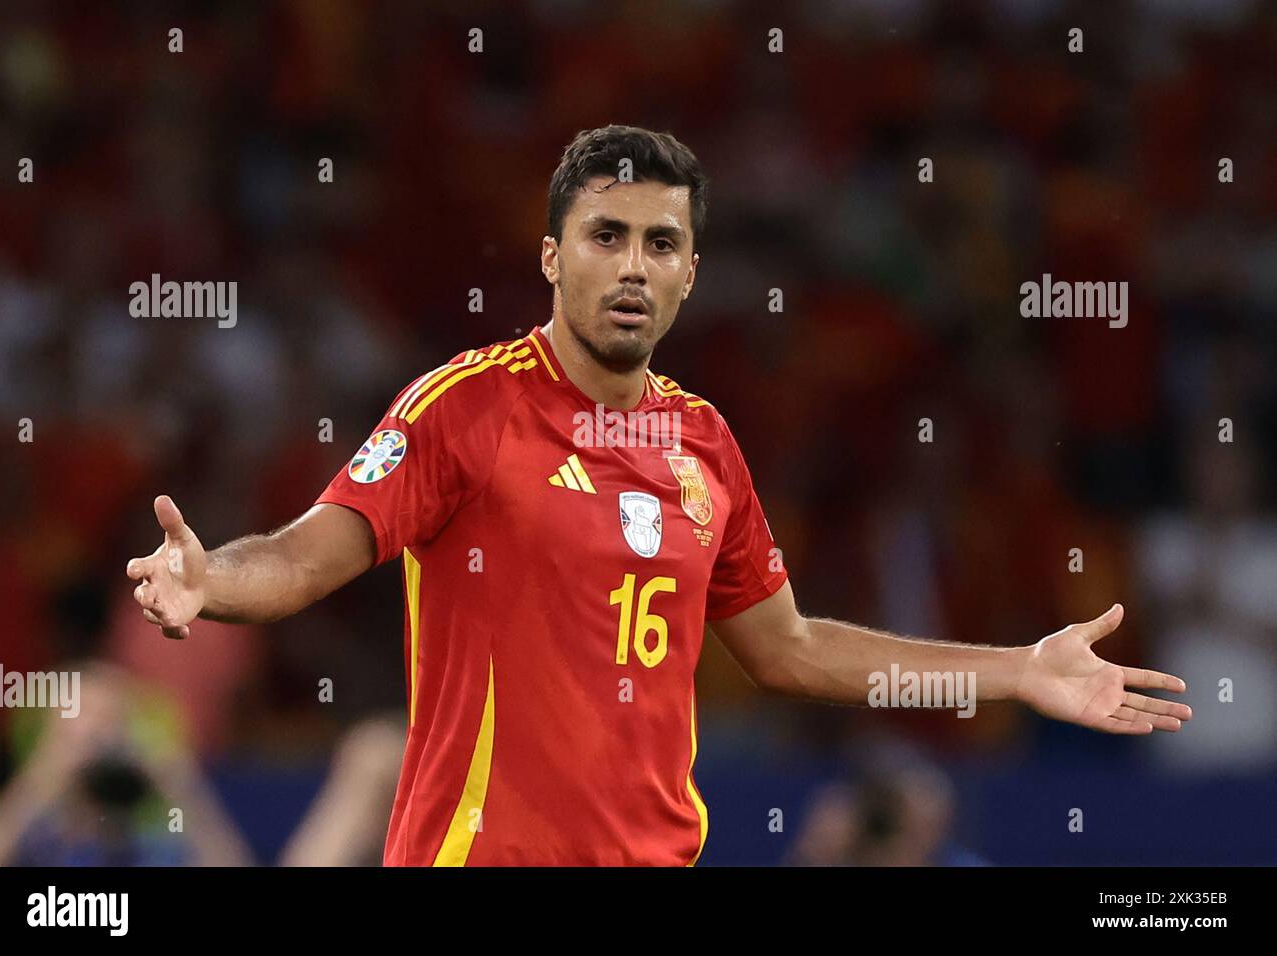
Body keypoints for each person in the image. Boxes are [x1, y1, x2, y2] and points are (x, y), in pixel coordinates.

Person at [125, 125, 1192, 866]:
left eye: (661, 243)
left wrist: (1016, 670)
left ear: (688, 273)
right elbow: (307, 555)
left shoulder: (705, 444)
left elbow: (793, 650)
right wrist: (212, 580)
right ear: (552, 258)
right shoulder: (465, 408)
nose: (633, 266)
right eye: (607, 236)